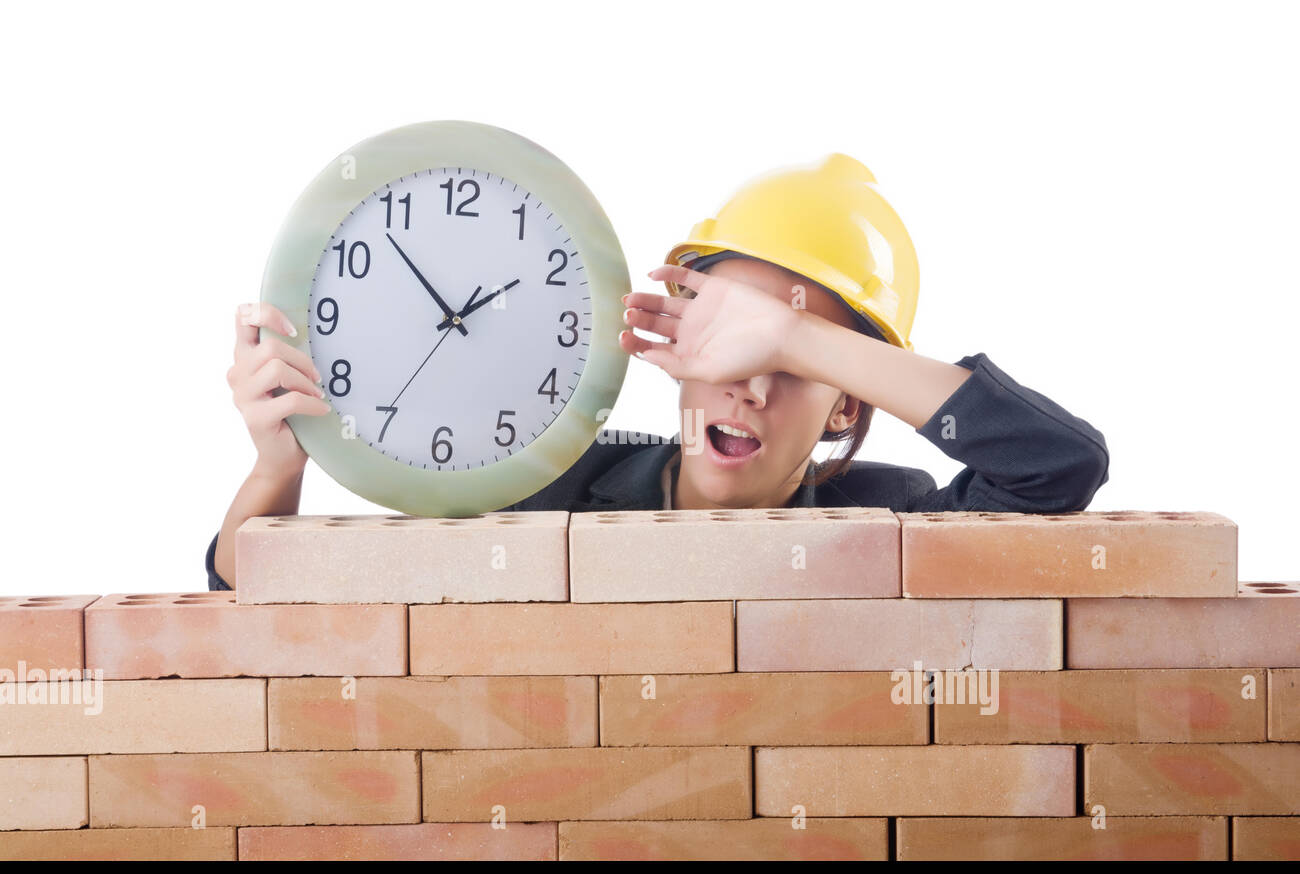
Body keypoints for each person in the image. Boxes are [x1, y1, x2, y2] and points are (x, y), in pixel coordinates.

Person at [205, 153, 1109, 591]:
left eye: (785, 365)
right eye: (729, 343)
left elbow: (1058, 468)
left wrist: (798, 339)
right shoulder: (552, 490)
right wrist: (278, 467)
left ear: (847, 408)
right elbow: (244, 585)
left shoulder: (889, 519)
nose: (748, 385)